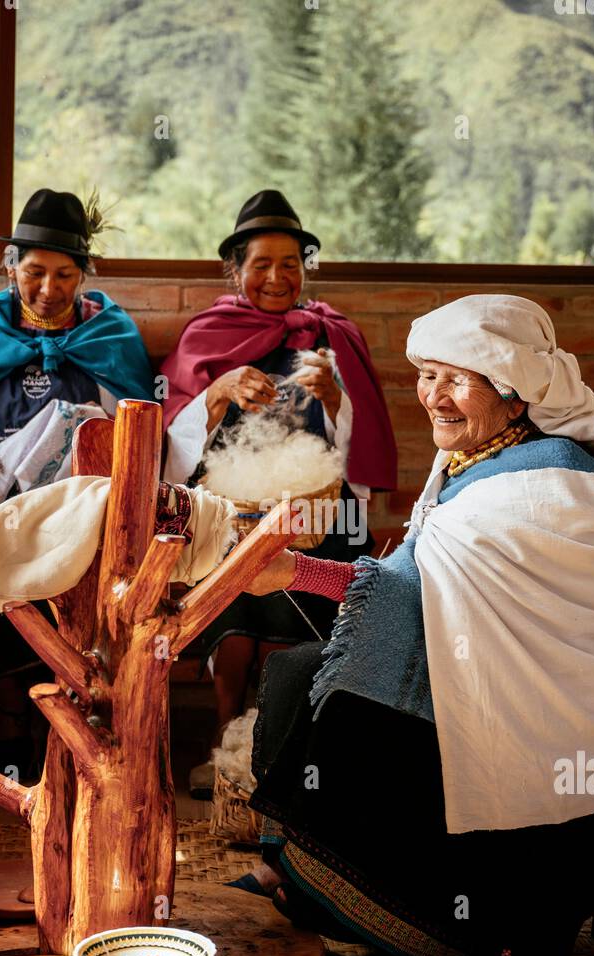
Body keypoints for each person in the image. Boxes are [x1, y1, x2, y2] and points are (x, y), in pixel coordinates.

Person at [230, 294, 594, 956]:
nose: (433, 395)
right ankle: (292, 865)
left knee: (340, 701)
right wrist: (288, 572)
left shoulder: (551, 481)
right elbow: (419, 582)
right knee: (297, 672)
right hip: (488, 674)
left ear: (513, 389)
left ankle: (462, 921)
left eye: (455, 378)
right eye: (426, 374)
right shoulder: (479, 455)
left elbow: (408, 594)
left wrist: (294, 573)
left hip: (554, 742)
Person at [0, 187, 156, 768]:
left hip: (78, 505)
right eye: (35, 272)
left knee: (80, 573)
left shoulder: (108, 333)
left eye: (65, 275)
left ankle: (80, 727)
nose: (49, 290)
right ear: (11, 266)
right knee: (0, 569)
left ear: (84, 274)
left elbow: (137, 430)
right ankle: (16, 721)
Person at [160, 189, 397, 749]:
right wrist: (218, 390)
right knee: (234, 585)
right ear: (235, 269)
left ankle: (281, 743)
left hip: (314, 504)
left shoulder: (331, 334)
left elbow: (355, 450)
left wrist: (334, 399)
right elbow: (174, 441)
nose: (276, 276)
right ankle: (225, 744)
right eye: (260, 264)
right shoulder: (208, 332)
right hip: (230, 500)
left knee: (306, 587)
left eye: (290, 264)